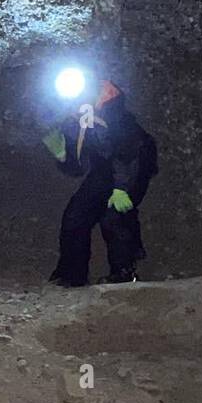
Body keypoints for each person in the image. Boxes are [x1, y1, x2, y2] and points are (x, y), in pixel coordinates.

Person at [42, 78, 158, 287]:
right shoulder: (74, 119)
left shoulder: (113, 111)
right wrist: (61, 154)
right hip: (105, 168)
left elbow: (130, 151)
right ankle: (71, 275)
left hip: (135, 165)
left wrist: (122, 188)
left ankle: (124, 275)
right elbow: (77, 168)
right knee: (75, 216)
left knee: (113, 217)